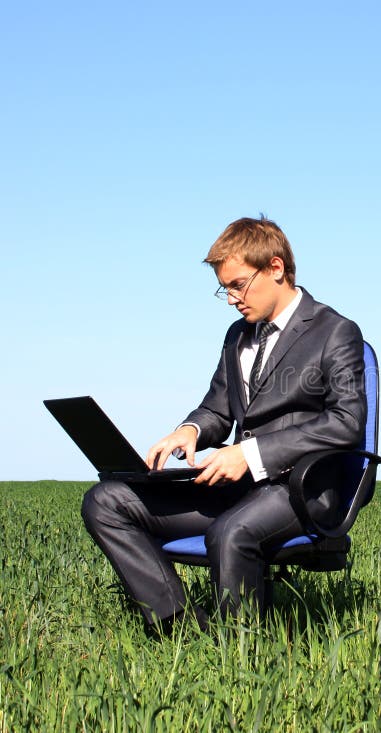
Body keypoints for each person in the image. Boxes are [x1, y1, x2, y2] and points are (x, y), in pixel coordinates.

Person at [81, 216, 366, 630]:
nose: (232, 299)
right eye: (224, 289)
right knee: (106, 501)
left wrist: (250, 454)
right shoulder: (237, 336)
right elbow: (217, 409)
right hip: (238, 490)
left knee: (229, 532)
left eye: (238, 285)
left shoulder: (335, 332)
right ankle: (179, 627)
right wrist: (190, 430)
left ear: (275, 268)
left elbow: (346, 422)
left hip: (300, 491)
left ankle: (242, 650)